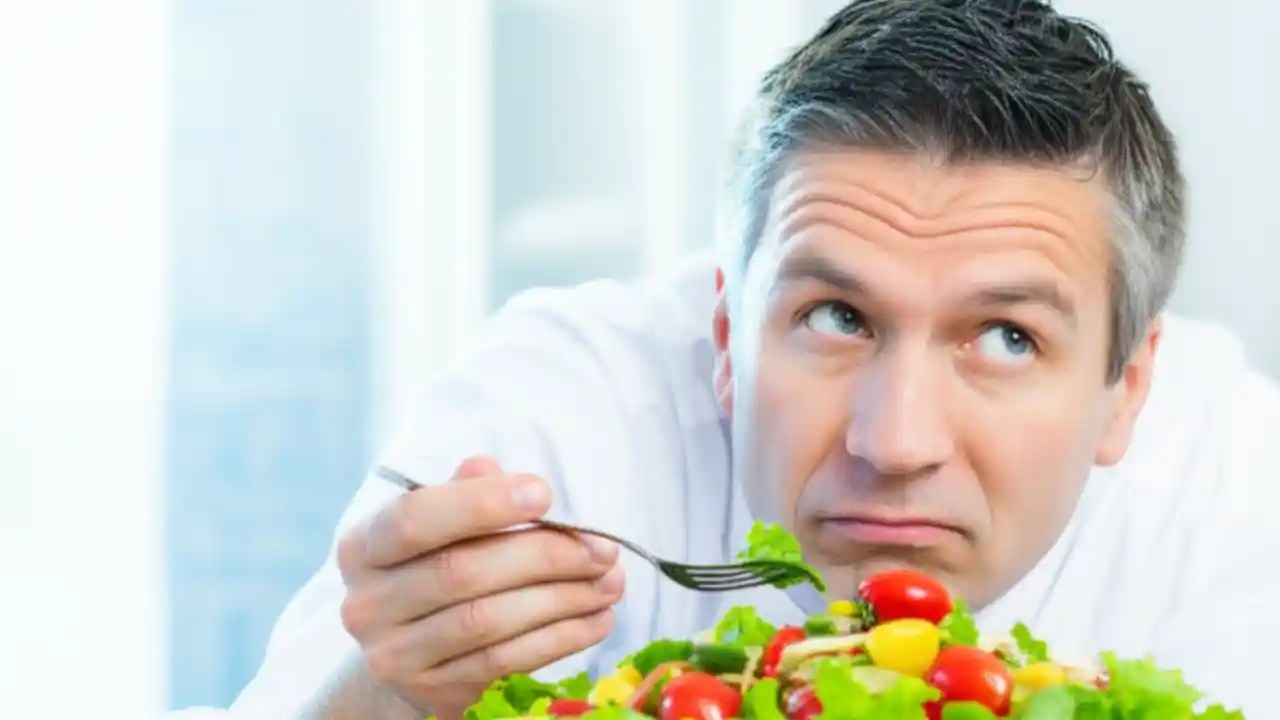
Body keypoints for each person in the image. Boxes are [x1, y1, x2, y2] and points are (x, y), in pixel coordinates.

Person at [212, 2, 1280, 718]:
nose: (893, 441)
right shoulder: (561, 422)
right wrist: (383, 692)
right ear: (725, 338)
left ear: (1125, 389)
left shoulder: (1234, 497)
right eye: (834, 317)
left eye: (1004, 337)